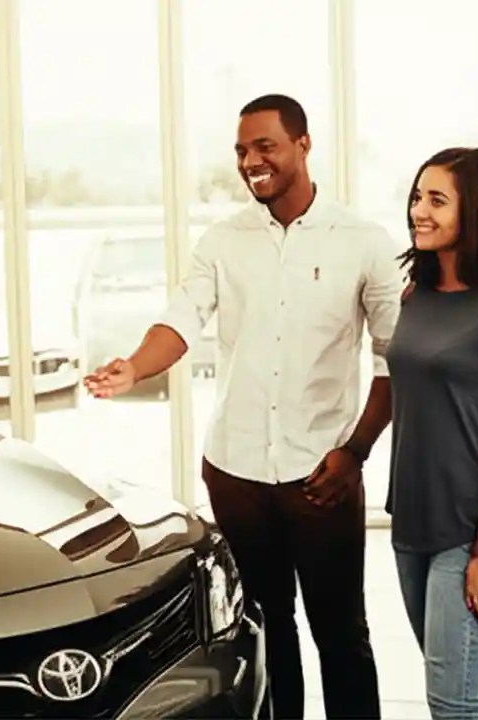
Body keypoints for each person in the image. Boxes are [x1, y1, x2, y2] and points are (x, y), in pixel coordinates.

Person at [85, 93, 403, 719]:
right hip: (235, 473)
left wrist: (355, 453)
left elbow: (394, 362)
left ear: (303, 146)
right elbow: (180, 322)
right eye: (241, 151)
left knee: (341, 634)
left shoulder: (363, 242)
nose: (251, 161)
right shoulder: (222, 242)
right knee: (263, 628)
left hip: (323, 475)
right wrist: (134, 366)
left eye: (265, 147)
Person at [385, 147, 478, 720]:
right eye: (418, 197)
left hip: (472, 525)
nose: (419, 210)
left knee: (450, 700)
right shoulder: (413, 296)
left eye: (437, 200)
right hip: (413, 514)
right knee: (461, 688)